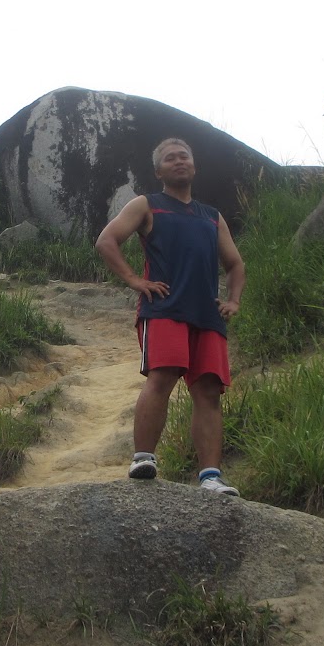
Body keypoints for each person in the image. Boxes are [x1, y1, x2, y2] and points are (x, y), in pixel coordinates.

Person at [94, 137, 247, 496]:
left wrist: (234, 300)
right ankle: (143, 458)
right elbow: (106, 240)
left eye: (185, 156)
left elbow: (236, 264)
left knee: (208, 391)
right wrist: (135, 280)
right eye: (169, 158)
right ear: (158, 170)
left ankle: (211, 476)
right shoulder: (147, 205)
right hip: (164, 308)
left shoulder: (212, 216)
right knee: (162, 377)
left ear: (193, 166)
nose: (179, 161)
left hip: (206, 314)